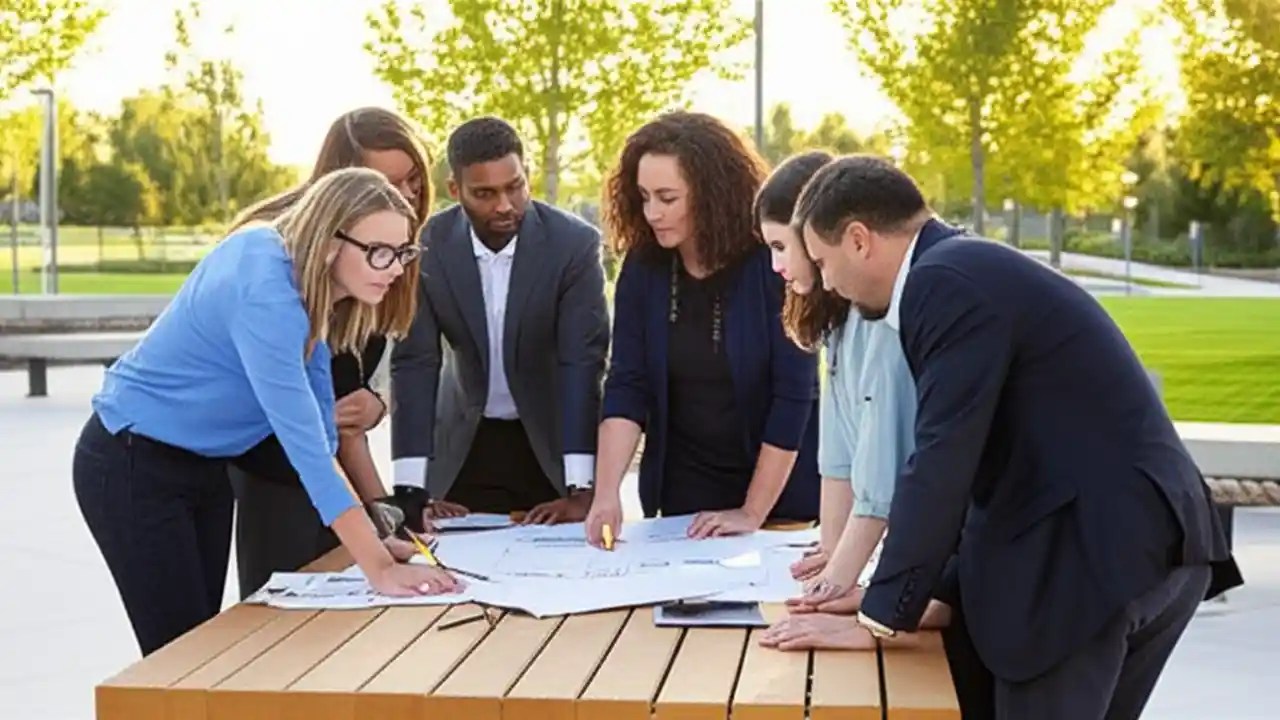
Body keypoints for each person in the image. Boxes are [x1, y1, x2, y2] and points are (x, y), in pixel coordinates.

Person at [792, 154, 1242, 720]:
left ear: (859, 240)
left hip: (1087, 562)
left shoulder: (941, 283)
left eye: (823, 261)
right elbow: (989, 465)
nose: (826, 283)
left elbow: (942, 460)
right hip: (1144, 546)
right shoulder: (965, 267)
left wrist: (883, 617)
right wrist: (923, 598)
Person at [74, 168, 461, 657]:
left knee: (205, 649)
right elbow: (307, 452)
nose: (395, 268)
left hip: (204, 466)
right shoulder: (266, 289)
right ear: (329, 241)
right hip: (132, 462)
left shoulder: (311, 290)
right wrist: (380, 571)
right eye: (379, 252)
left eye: (403, 252)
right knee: (178, 659)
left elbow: (322, 431)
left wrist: (378, 537)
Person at [225, 106, 439, 600]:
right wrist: (381, 533)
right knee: (277, 626)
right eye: (384, 184)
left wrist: (383, 517)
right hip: (274, 466)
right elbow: (327, 426)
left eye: (413, 181)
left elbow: (349, 397)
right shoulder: (282, 260)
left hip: (325, 463)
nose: (403, 197)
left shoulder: (387, 249)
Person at [584, 111, 821, 547]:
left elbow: (794, 396)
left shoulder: (772, 263)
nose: (652, 213)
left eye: (667, 198)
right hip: (683, 506)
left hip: (780, 506)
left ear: (711, 194)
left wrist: (751, 513)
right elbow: (627, 383)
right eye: (643, 196)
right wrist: (605, 495)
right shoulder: (644, 265)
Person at [750, 150, 950, 653]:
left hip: (950, 567)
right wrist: (832, 556)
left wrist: (828, 594)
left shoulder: (882, 317)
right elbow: (838, 462)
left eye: (780, 247)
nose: (775, 266)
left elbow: (881, 484)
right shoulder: (837, 325)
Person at [389, 116, 609, 529]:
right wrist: (410, 492)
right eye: (485, 194)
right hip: (464, 451)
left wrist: (582, 489)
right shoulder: (425, 247)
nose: (505, 204)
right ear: (456, 190)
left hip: (550, 450)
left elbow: (582, 363)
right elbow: (415, 364)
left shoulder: (573, 246)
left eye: (515, 186)